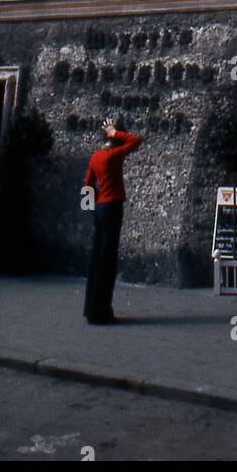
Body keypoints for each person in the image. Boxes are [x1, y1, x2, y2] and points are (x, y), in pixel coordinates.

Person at [83, 118, 142, 324]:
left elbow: (88, 185)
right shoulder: (113, 156)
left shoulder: (96, 156)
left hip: (99, 207)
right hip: (112, 206)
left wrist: (92, 209)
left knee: (97, 257)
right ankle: (101, 312)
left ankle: (91, 308)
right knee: (108, 259)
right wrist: (115, 133)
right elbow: (136, 140)